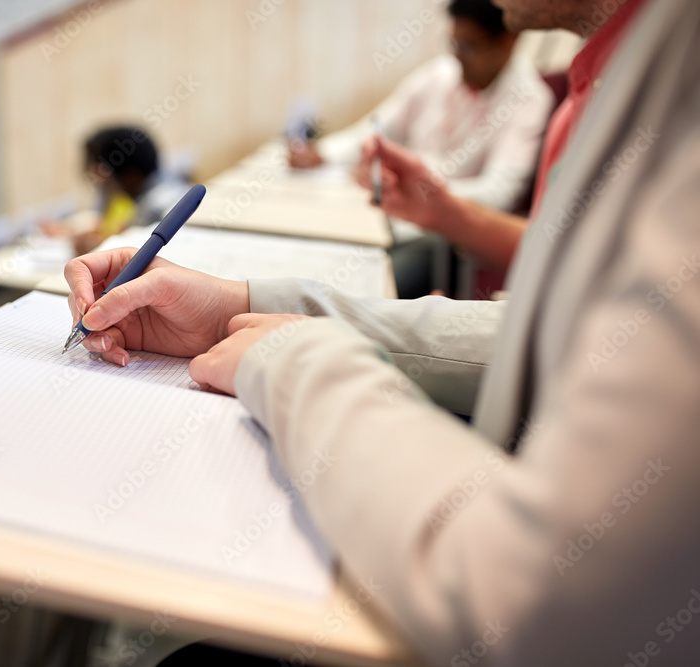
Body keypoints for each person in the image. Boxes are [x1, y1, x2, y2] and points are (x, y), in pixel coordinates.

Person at [64, 0, 700, 662]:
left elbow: (550, 598)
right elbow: (554, 336)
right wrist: (234, 309)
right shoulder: (615, 78)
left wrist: (299, 363)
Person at [293, 0, 554, 297]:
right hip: (390, 213)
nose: (457, 56)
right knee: (318, 264)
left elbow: (499, 193)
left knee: (360, 294)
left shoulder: (530, 100)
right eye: (453, 43)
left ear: (508, 42)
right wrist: (323, 154)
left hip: (440, 238)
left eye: (468, 46)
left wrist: (425, 194)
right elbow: (378, 127)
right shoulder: (439, 73)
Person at [55, 126, 192, 255]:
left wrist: (97, 247)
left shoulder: (155, 207)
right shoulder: (158, 192)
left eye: (105, 174)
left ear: (130, 176)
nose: (101, 184)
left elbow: (136, 255)